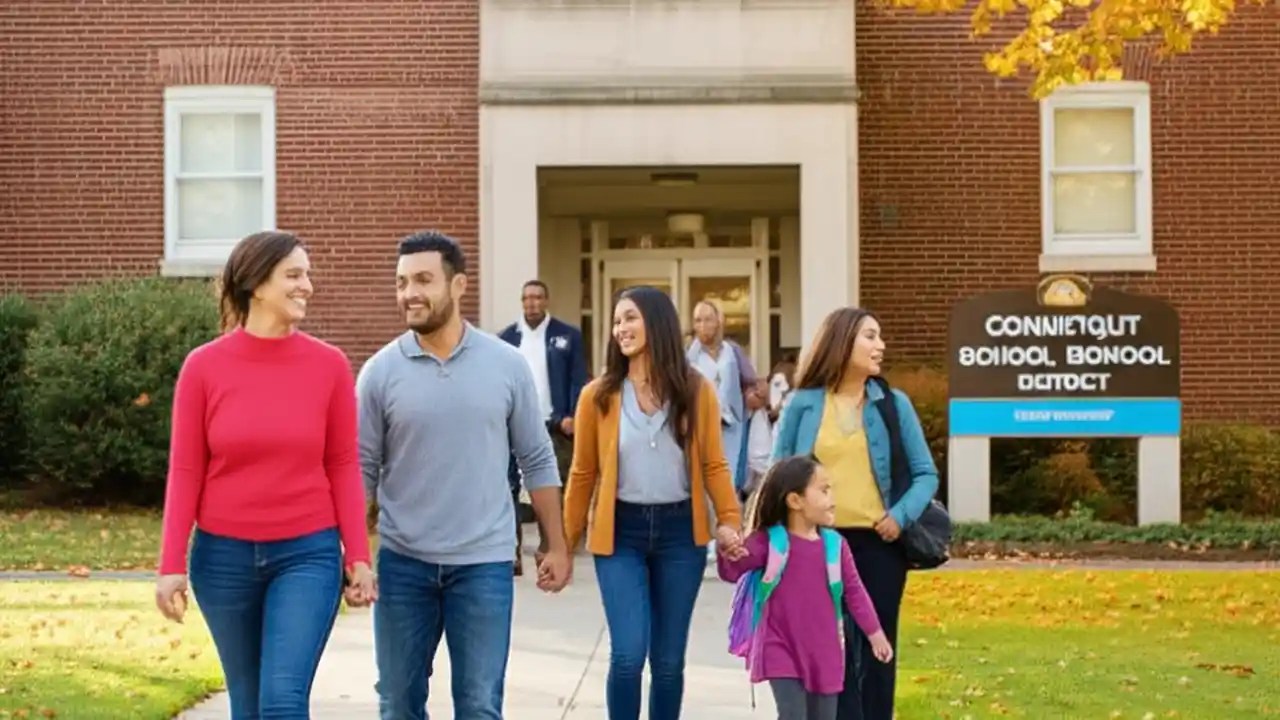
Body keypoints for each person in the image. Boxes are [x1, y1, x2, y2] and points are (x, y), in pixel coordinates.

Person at [155, 230, 377, 720]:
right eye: (294, 275)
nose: (308, 286)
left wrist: (357, 555)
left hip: (306, 556)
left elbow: (342, 465)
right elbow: (187, 470)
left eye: (308, 274)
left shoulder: (329, 366)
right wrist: (171, 563)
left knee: (281, 700)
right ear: (257, 284)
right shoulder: (203, 368)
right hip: (222, 561)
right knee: (249, 705)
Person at [357, 231, 571, 720]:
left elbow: (535, 459)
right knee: (398, 705)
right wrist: (354, 556)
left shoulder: (507, 365)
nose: (410, 292)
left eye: (423, 280)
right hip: (404, 563)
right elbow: (362, 469)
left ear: (458, 287)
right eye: (402, 282)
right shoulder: (379, 373)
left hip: (483, 565)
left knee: (478, 706)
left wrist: (556, 544)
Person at [564, 285, 745, 720]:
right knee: (628, 654)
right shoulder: (598, 396)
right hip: (620, 533)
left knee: (667, 663)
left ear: (657, 323)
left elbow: (715, 466)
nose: (620, 328)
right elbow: (583, 473)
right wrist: (563, 543)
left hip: (679, 534)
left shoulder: (697, 391)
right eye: (617, 320)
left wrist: (729, 521)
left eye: (630, 318)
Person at [772, 307, 939, 720]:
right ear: (842, 341)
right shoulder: (803, 404)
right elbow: (778, 477)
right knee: (830, 655)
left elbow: (925, 474)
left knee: (878, 652)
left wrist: (899, 516)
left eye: (879, 337)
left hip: (878, 547)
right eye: (870, 336)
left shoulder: (892, 404)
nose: (880, 345)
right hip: (817, 548)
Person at [718, 454, 893, 720]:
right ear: (795, 501)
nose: (832, 498)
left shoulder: (835, 546)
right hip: (779, 645)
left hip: (825, 650)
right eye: (823, 490)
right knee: (792, 715)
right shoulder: (769, 542)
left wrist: (875, 633)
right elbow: (732, 571)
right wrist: (726, 549)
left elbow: (855, 593)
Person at [498, 279, 588, 575]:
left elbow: (578, 378)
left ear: (546, 300)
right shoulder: (507, 339)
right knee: (509, 487)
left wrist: (572, 414)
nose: (532, 303)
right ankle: (512, 551)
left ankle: (552, 548)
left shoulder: (567, 336)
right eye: (527, 298)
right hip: (512, 425)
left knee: (553, 487)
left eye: (537, 297)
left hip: (554, 426)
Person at [686, 300, 757, 494]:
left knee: (728, 479)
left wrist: (752, 395)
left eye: (708, 319)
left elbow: (751, 381)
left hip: (730, 426)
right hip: (700, 426)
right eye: (698, 320)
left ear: (719, 321)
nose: (703, 325)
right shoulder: (688, 357)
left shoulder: (732, 351)